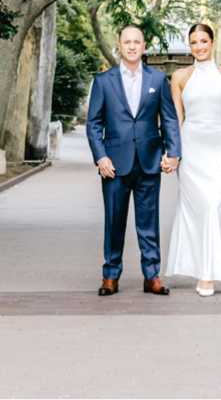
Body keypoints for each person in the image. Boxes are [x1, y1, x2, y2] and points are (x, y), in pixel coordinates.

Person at [86, 24, 181, 296]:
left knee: (148, 223)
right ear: (119, 45)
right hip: (114, 166)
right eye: (126, 42)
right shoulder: (103, 81)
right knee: (114, 222)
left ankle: (152, 276)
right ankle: (111, 276)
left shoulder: (157, 79)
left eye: (136, 42)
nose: (131, 46)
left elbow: (170, 119)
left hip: (149, 162)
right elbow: (93, 124)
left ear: (143, 45)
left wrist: (172, 153)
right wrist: (100, 157)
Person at [164, 23, 221, 297]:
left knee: (212, 207)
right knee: (195, 212)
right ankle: (203, 274)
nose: (199, 47)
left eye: (204, 41)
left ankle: (208, 273)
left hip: (219, 152)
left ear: (212, 41)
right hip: (191, 152)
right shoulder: (180, 77)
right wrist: (172, 153)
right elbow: (176, 118)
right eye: (194, 42)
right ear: (189, 45)